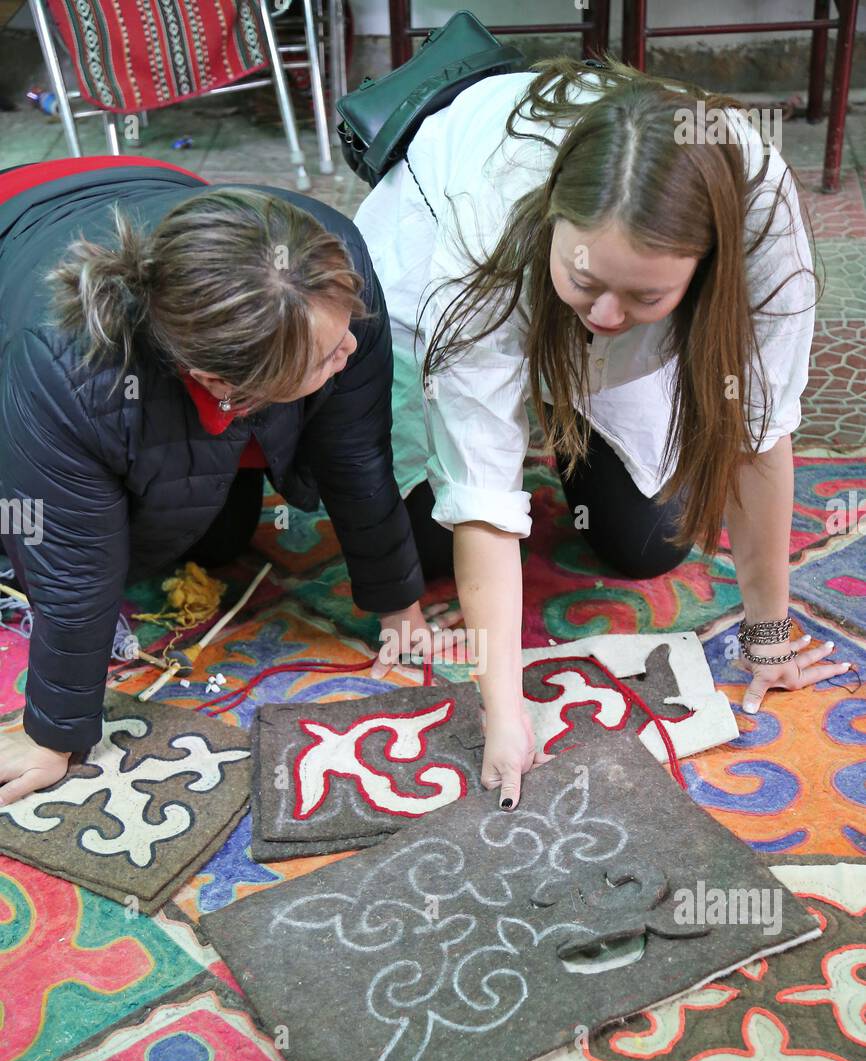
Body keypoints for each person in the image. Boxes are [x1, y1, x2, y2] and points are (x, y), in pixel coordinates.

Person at [355, 58, 851, 809]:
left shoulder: (760, 217)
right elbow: (482, 496)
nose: (609, 316)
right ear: (554, 219)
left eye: (646, 294)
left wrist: (768, 634)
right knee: (426, 545)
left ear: (707, 266)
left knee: (645, 543)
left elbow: (758, 433)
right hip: (453, 260)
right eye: (587, 282)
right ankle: (542, 366)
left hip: (598, 317)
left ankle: (567, 413)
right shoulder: (484, 213)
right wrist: (505, 711)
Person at [0, 156, 443, 807]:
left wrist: (399, 607)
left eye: (344, 329)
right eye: (325, 358)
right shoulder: (62, 368)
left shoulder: (321, 257)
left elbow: (355, 452)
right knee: (65, 536)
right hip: (16, 233)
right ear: (225, 385)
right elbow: (70, 561)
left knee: (221, 537)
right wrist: (52, 734)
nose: (349, 349)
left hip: (149, 194)